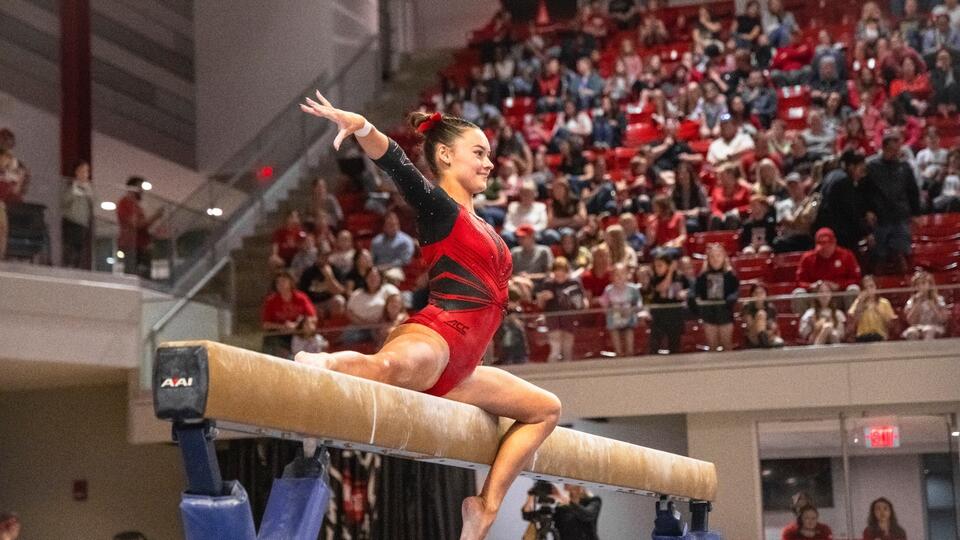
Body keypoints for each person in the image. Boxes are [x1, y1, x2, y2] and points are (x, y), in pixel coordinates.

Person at [297, 97, 561, 539]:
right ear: (445, 155)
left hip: (464, 370)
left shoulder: (483, 222)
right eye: (478, 153)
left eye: (489, 155)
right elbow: (398, 166)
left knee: (545, 410)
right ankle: (318, 368)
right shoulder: (442, 207)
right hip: (438, 336)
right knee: (385, 369)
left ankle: (484, 509)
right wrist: (363, 126)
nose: (489, 163)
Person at [862, 130, 920, 274]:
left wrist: (916, 213)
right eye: (893, 148)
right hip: (879, 218)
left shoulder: (904, 167)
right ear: (885, 147)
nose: (897, 152)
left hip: (900, 216)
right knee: (879, 257)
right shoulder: (870, 166)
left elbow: (912, 191)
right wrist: (866, 211)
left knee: (900, 256)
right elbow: (862, 192)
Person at [814, 149, 868, 251]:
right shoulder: (845, 181)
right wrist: (865, 232)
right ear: (852, 167)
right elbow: (851, 211)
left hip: (825, 228)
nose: (861, 175)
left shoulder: (832, 175)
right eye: (861, 170)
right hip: (840, 234)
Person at [535, 257, 586, 362]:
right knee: (555, 349)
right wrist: (542, 297)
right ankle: (551, 374)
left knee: (567, 350)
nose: (559, 274)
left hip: (569, 319)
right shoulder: (548, 284)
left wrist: (580, 303)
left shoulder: (574, 284)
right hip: (553, 320)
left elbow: (582, 302)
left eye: (562, 271)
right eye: (557, 271)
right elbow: (540, 305)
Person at [692, 244, 739, 352]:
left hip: (725, 313)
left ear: (723, 257)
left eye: (718, 256)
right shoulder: (703, 276)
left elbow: (736, 291)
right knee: (712, 346)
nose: (715, 259)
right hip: (709, 314)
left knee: (727, 345)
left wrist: (731, 298)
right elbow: (696, 291)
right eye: (712, 257)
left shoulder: (730, 275)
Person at [261, 271, 318, 358]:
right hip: (281, 334)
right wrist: (283, 326)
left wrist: (297, 325)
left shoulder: (301, 298)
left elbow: (313, 317)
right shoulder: (271, 301)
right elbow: (265, 325)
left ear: (290, 282)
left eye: (283, 281)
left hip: (299, 333)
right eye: (278, 282)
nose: (280, 284)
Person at [116, 176, 163, 279]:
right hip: (131, 245)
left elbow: (141, 226)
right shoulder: (124, 203)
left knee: (145, 277)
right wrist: (155, 217)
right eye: (140, 187)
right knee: (132, 276)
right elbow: (136, 225)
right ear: (133, 188)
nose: (142, 191)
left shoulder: (137, 207)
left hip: (142, 246)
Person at [600, 262, 646, 357]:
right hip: (614, 321)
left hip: (629, 319)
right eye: (617, 274)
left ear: (627, 275)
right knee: (617, 344)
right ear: (612, 277)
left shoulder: (633, 289)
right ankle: (619, 356)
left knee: (629, 338)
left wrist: (634, 310)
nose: (620, 277)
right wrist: (607, 309)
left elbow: (639, 303)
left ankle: (630, 356)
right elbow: (604, 304)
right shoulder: (608, 290)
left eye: (622, 274)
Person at [648, 252, 691, 354]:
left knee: (674, 344)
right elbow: (661, 288)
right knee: (655, 344)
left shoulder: (680, 277)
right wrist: (670, 273)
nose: (657, 268)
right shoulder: (654, 278)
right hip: (659, 316)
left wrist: (685, 293)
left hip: (675, 315)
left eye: (660, 266)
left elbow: (690, 288)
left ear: (668, 265)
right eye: (656, 266)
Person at [61, 160, 95, 269]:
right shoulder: (69, 185)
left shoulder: (89, 188)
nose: (85, 174)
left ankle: (77, 268)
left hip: (83, 223)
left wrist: (88, 192)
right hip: (71, 221)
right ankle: (68, 267)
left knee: (79, 250)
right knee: (70, 249)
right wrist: (75, 190)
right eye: (83, 171)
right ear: (77, 172)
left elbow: (95, 202)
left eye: (87, 171)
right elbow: (63, 201)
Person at [297, 245, 347, 319]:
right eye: (322, 256)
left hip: (329, 300)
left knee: (339, 301)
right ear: (317, 256)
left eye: (326, 256)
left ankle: (335, 327)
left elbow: (340, 292)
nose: (324, 258)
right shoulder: (308, 272)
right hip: (314, 302)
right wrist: (313, 306)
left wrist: (329, 277)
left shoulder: (335, 269)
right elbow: (303, 294)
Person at [902, 270, 949, 341]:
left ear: (929, 285)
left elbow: (943, 320)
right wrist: (917, 304)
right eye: (918, 284)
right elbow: (910, 321)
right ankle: (914, 352)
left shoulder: (938, 299)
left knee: (928, 330)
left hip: (934, 326)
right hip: (917, 327)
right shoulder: (912, 301)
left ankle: (928, 351)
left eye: (923, 283)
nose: (920, 286)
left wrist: (933, 306)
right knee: (911, 332)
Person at [848, 275, 897, 342]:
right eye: (866, 287)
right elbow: (852, 324)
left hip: (880, 336)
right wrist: (860, 304)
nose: (869, 290)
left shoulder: (884, 303)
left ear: (876, 287)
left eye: (871, 286)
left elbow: (891, 325)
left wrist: (878, 311)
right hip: (862, 337)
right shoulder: (858, 302)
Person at [800, 280, 847, 345]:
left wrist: (829, 329)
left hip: (834, 341)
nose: (824, 295)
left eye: (827, 292)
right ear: (816, 295)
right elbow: (807, 338)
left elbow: (841, 335)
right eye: (821, 292)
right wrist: (818, 329)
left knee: (829, 328)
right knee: (827, 327)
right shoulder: (809, 314)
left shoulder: (838, 313)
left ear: (831, 295)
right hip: (814, 344)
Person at [741, 283, 783, 348]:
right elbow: (749, 326)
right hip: (753, 335)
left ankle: (764, 341)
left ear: (766, 294)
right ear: (752, 295)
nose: (759, 295)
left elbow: (773, 326)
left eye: (761, 293)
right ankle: (764, 342)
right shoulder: (747, 307)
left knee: (777, 340)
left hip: (768, 334)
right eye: (756, 293)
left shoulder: (770, 308)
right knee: (761, 314)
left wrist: (768, 332)